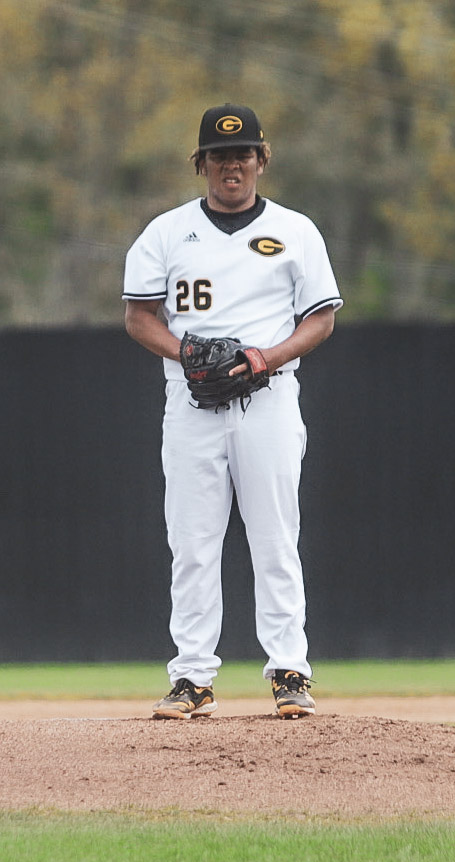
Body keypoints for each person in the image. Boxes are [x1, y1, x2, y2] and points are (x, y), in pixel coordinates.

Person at [122, 103, 342, 720]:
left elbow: (320, 319)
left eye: (242, 153)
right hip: (191, 403)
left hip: (268, 398)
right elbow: (139, 317)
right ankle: (192, 677)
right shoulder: (166, 232)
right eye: (219, 156)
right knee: (192, 541)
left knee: (275, 537)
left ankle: (290, 670)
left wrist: (266, 357)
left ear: (261, 160)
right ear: (201, 163)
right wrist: (187, 353)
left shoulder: (296, 230)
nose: (232, 165)